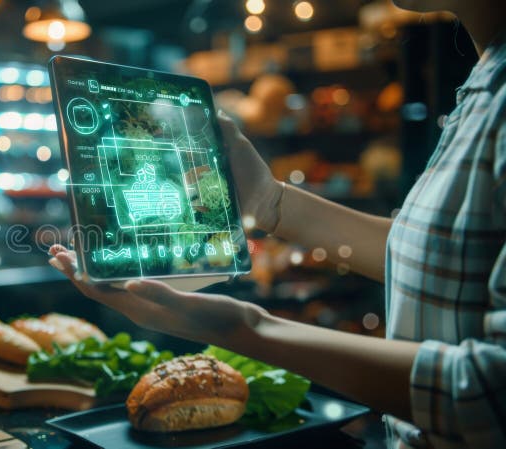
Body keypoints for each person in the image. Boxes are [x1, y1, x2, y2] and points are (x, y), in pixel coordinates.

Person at [48, 1, 506, 447]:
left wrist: (245, 329)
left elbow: (491, 391)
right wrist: (270, 202)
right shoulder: (485, 82)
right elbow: (435, 255)